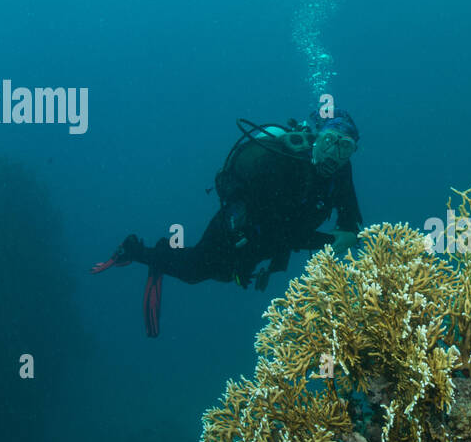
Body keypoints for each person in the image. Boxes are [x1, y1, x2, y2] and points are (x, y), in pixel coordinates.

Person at [91, 108, 363, 336]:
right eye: (330, 141)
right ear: (317, 138)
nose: (334, 154)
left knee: (224, 276)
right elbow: (285, 231)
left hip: (265, 243)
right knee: (194, 271)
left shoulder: (342, 171)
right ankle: (136, 251)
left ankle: (163, 252)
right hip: (235, 231)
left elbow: (351, 218)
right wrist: (330, 241)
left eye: (345, 148)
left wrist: (349, 233)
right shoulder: (286, 165)